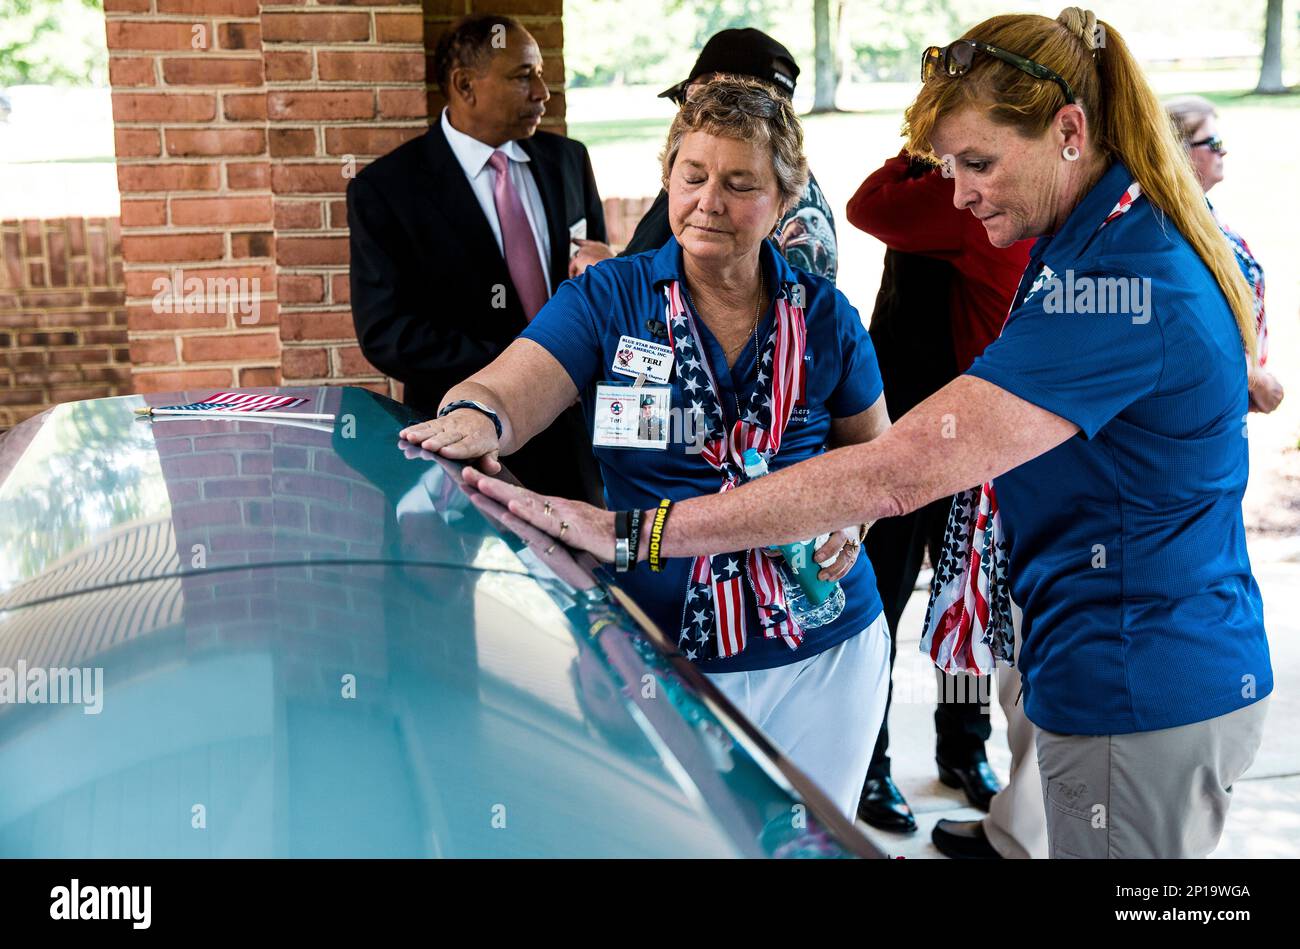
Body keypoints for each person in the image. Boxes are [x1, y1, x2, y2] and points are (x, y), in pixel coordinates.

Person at [475, 8, 1274, 859]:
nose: (959, 194)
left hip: (1141, 680)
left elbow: (890, 470)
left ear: (1070, 131)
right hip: (1109, 661)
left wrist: (630, 531)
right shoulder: (1093, 234)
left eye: (977, 163)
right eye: (691, 175)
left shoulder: (1120, 279)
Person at [400, 76, 892, 820]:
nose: (709, 202)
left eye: (740, 183)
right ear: (667, 179)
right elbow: (506, 392)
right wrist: (472, 418)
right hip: (665, 651)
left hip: (822, 648)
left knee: (812, 839)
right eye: (692, 176)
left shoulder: (824, 317)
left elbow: (875, 460)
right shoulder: (611, 299)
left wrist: (851, 523)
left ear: (785, 200)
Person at [848, 152, 1035, 831]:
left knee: (965, 604)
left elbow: (872, 203)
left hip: (970, 444)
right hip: (900, 438)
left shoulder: (970, 199)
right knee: (882, 607)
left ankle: (962, 747)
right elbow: (870, 207)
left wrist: (922, 158)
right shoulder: (944, 196)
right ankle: (869, 763)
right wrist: (922, 156)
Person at [348, 13, 605, 504]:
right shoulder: (388, 190)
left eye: (540, 74)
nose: (542, 92)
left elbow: (593, 288)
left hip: (574, 442)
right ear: (465, 85)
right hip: (462, 442)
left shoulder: (568, 161)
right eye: (522, 75)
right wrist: (526, 370)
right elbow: (387, 335)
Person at [570, 29, 839, 283]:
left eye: (694, 96)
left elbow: (661, 293)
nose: (686, 114)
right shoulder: (797, 185)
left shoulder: (711, 195)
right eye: (694, 178)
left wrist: (606, 269)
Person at [1166, 94, 1284, 414]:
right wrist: (1255, 381)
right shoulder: (1170, 225)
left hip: (1227, 394)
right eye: (1213, 142)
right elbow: (1189, 324)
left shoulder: (1199, 210)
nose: (1223, 150)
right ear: (1179, 152)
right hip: (1206, 402)